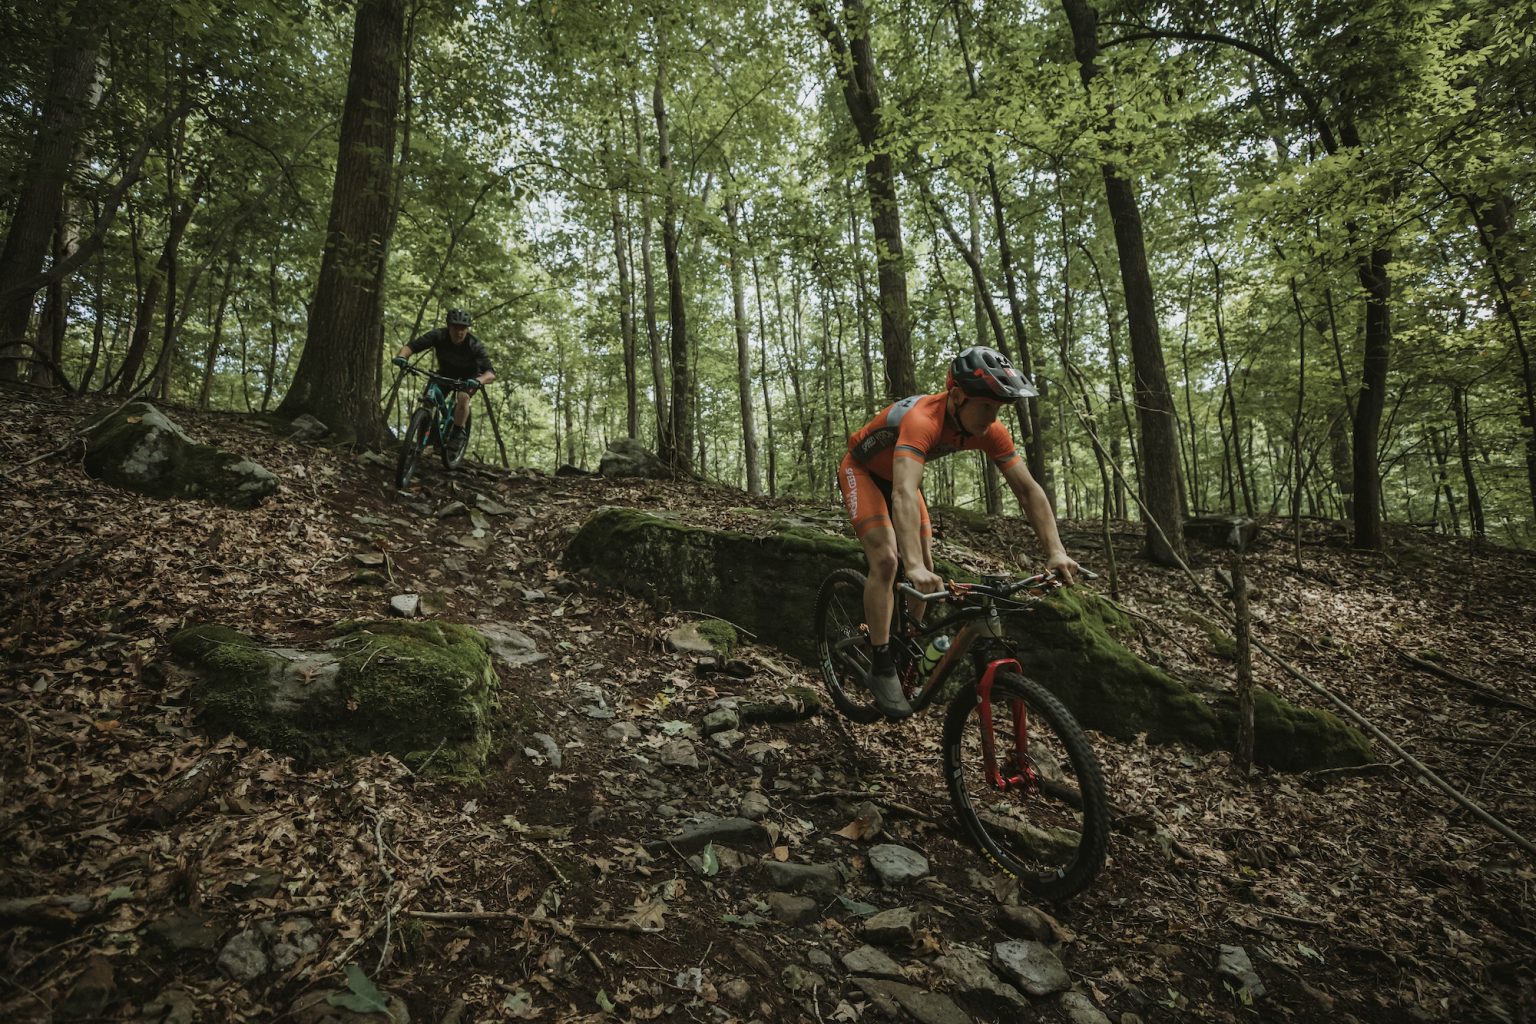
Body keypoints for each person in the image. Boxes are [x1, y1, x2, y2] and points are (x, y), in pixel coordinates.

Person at [837, 345, 1081, 719]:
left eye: (998, 408)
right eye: (985, 406)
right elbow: (903, 492)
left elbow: (1028, 490)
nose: (992, 417)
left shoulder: (989, 430)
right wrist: (911, 565)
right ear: (956, 397)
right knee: (888, 561)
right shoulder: (923, 420)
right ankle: (882, 663)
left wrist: (1056, 551)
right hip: (863, 472)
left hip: (899, 478)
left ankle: (905, 646)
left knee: (927, 568)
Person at [392, 308, 495, 444]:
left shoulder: (474, 345)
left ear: (467, 329)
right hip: (445, 373)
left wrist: (479, 380)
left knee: (463, 398)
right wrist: (402, 357)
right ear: (448, 327)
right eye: (455, 328)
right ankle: (424, 440)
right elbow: (412, 346)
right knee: (429, 399)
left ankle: (457, 433)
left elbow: (490, 373)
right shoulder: (438, 335)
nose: (459, 332)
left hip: (469, 378)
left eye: (463, 329)